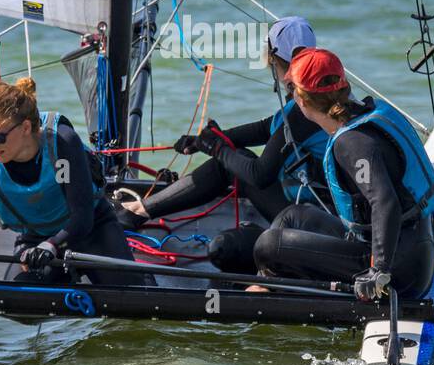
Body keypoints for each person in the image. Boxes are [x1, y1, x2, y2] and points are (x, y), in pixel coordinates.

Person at [116, 16, 331, 272]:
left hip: (314, 223)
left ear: (274, 61)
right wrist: (208, 140)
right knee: (234, 155)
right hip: (315, 213)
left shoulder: (304, 112)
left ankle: (138, 212)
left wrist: (217, 149)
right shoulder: (322, 90)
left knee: (229, 165)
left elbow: (260, 175)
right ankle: (142, 209)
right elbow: (266, 128)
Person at [251, 48, 434, 302]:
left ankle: (277, 289)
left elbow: (385, 202)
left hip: (398, 269)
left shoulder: (351, 143)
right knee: (292, 216)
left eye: (292, 91)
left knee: (268, 245)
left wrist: (379, 271)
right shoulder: (367, 113)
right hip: (413, 243)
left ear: (302, 101)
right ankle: (269, 283)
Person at [0, 77, 143, 286]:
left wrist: (52, 245)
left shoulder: (62, 144)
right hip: (35, 239)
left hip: (91, 231)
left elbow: (82, 216)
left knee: (133, 295)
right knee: (20, 305)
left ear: (25, 128)